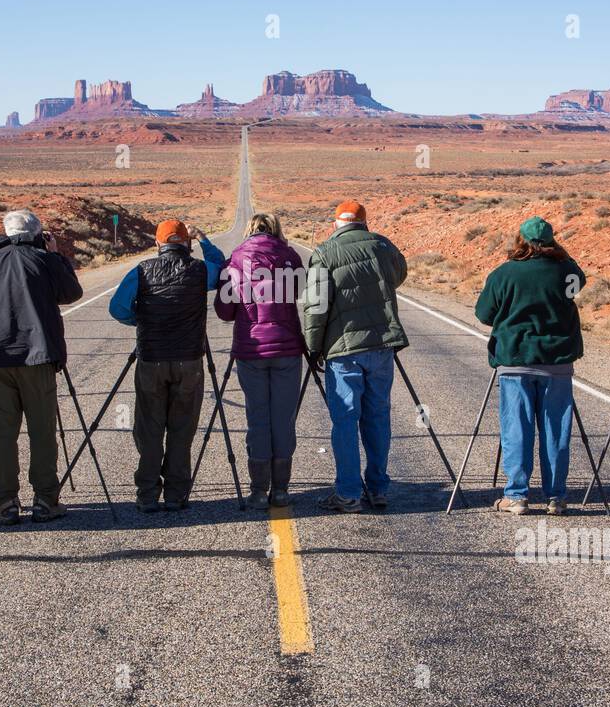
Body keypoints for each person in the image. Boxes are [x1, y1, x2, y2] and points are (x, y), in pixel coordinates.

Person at [0, 210, 83, 525]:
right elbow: (72, 292)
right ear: (37, 233)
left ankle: (5, 502)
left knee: (4, 434)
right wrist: (57, 256)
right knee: (42, 431)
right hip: (37, 357)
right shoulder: (43, 260)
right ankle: (45, 500)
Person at [300, 200, 408, 513]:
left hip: (343, 350)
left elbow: (316, 307)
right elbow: (398, 274)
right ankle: (378, 488)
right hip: (381, 345)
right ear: (363, 222)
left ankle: (348, 493)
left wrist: (313, 347)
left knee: (345, 421)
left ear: (336, 223)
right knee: (377, 416)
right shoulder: (383, 245)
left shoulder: (324, 252)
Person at [474, 216, 586, 516]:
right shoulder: (567, 273)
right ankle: (556, 497)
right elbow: (577, 284)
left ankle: (517, 495)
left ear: (520, 240)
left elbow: (484, 313)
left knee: (517, 429)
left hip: (515, 361)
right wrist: (560, 255)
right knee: (556, 431)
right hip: (557, 363)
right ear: (552, 241)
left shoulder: (503, 274)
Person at [109, 219, 223, 512]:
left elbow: (118, 307)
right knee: (182, 428)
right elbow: (220, 266)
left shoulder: (141, 271)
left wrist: (142, 321)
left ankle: (147, 494)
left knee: (149, 428)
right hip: (189, 360)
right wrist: (205, 241)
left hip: (151, 359)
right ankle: (175, 494)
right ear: (186, 244)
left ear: (158, 244)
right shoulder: (201, 270)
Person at [214, 213, 305, 509]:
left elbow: (225, 312)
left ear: (249, 230)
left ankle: (257, 490)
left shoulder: (234, 261)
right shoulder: (289, 257)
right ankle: (280, 490)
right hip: (287, 349)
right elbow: (300, 292)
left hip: (251, 351)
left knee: (258, 418)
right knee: (283, 418)